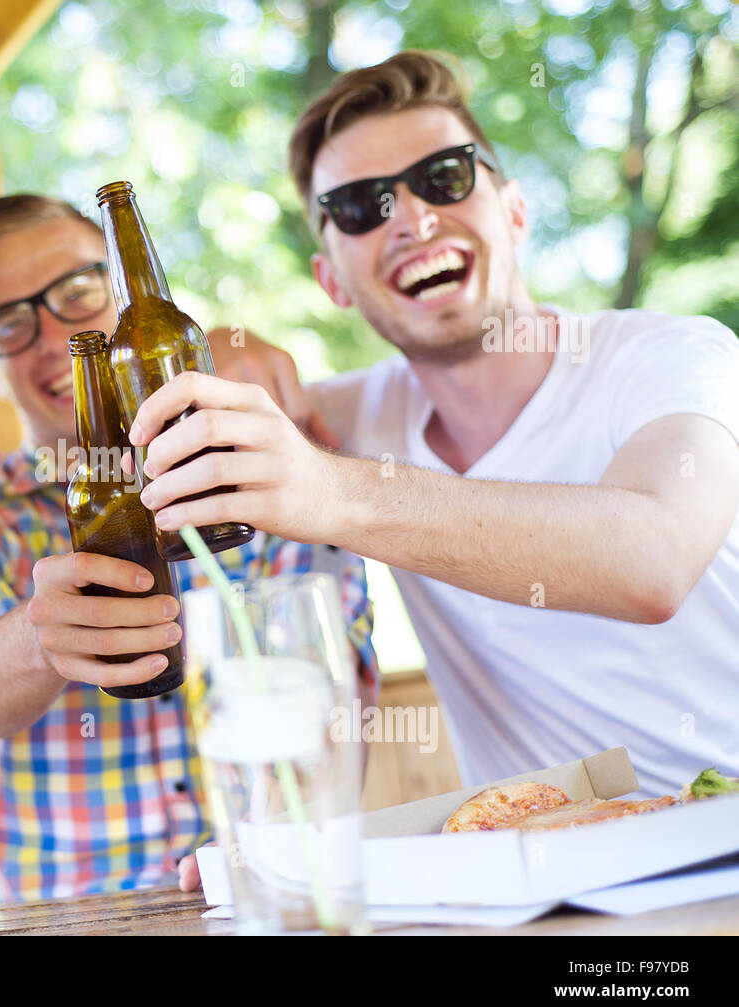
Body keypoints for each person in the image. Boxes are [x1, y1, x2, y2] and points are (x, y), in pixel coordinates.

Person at [128, 50, 739, 837]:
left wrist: (332, 490)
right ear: (332, 280)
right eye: (360, 206)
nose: (412, 219)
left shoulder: (672, 357)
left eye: (445, 177)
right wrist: (221, 345)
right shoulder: (347, 422)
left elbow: (652, 559)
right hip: (541, 882)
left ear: (514, 210)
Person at [0, 194, 378, 903]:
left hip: (269, 888)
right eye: (10, 321)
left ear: (123, 301)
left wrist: (263, 836)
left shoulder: (259, 472)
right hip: (74, 918)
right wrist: (39, 639)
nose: (52, 336)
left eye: (76, 292)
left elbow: (330, 684)